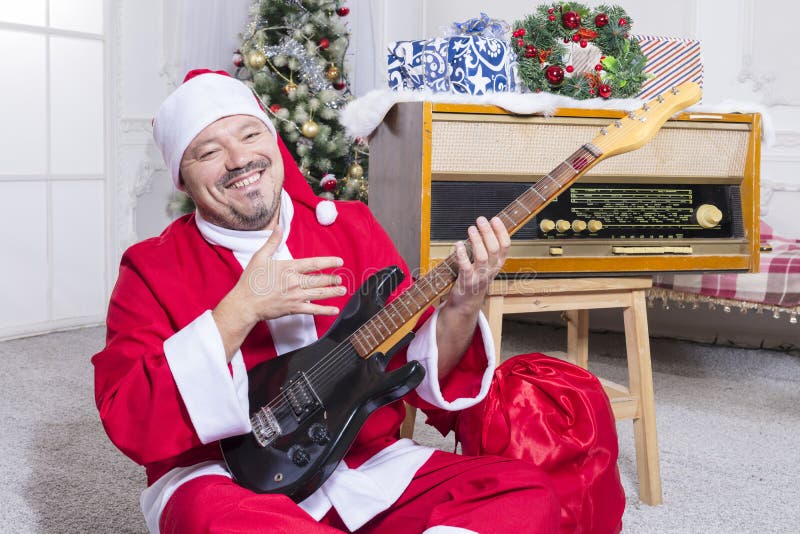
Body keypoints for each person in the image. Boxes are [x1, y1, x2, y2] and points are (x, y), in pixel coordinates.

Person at [93, 69, 624, 534]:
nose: (239, 160)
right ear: (183, 178)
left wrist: (464, 302)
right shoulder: (151, 268)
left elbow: (418, 370)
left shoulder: (350, 228)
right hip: (227, 480)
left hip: (367, 466)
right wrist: (239, 310)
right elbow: (129, 413)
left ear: (274, 142)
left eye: (249, 134)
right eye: (208, 152)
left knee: (522, 495)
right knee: (214, 520)